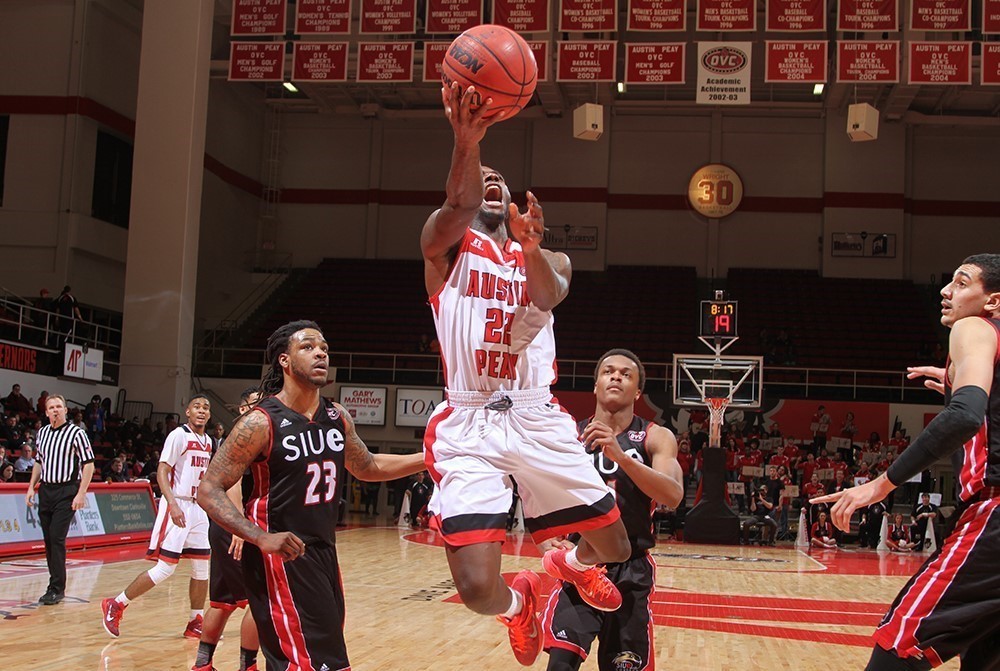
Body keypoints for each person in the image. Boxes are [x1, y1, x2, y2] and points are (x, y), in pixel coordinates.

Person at [419, 82, 631, 666]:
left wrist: (531, 246)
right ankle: (522, 607)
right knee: (476, 592)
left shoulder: (550, 258)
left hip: (535, 413)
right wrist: (467, 139)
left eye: (500, 178)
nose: (491, 179)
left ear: (515, 198)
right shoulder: (445, 251)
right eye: (480, 176)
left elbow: (548, 293)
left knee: (614, 544)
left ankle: (569, 562)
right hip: (469, 422)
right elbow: (457, 207)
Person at [197, 321, 425, 671]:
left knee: (308, 657)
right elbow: (209, 489)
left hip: (323, 550)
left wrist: (434, 457)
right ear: (284, 361)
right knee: (316, 662)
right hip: (282, 556)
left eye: (324, 348)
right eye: (308, 347)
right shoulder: (260, 422)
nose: (321, 352)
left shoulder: (336, 416)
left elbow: (368, 466)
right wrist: (258, 537)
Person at [812, 254, 1000, 670]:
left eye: (962, 283)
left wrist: (880, 484)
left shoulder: (974, 327)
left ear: (994, 303)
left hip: (994, 516)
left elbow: (967, 415)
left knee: (900, 644)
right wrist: (955, 382)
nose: (945, 291)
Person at [542, 349, 683, 671]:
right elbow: (542, 494)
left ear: (637, 391)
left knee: (623, 667)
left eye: (626, 373)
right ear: (595, 386)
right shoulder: (567, 436)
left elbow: (673, 495)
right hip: (582, 566)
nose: (616, 376)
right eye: (608, 371)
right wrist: (548, 538)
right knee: (560, 664)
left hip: (631, 567)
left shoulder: (655, 436)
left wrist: (621, 456)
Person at [100, 395, 215, 639]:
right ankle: (116, 603)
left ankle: (195, 620)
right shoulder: (178, 435)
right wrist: (172, 503)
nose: (202, 411)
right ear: (187, 412)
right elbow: (162, 470)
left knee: (202, 567)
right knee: (165, 569)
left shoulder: (208, 441)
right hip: (178, 503)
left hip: (198, 508)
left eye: (206, 407)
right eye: (197, 407)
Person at [192, 387, 262, 671]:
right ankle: (248, 666)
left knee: (223, 603)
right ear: (244, 409)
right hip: (234, 527)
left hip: (221, 525)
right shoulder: (243, 436)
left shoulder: (240, 435)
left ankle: (202, 664)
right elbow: (231, 483)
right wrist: (239, 527)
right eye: (257, 404)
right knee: (260, 603)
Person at [25, 394, 95, 605]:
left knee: (56, 538)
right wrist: (31, 487)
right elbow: (39, 462)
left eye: (59, 407)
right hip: (46, 489)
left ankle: (56, 588)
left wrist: (81, 493)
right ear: (46, 412)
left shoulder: (77, 433)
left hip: (67, 490)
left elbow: (89, 464)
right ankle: (54, 584)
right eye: (51, 407)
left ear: (65, 410)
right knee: (49, 540)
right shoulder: (43, 433)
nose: (55, 410)